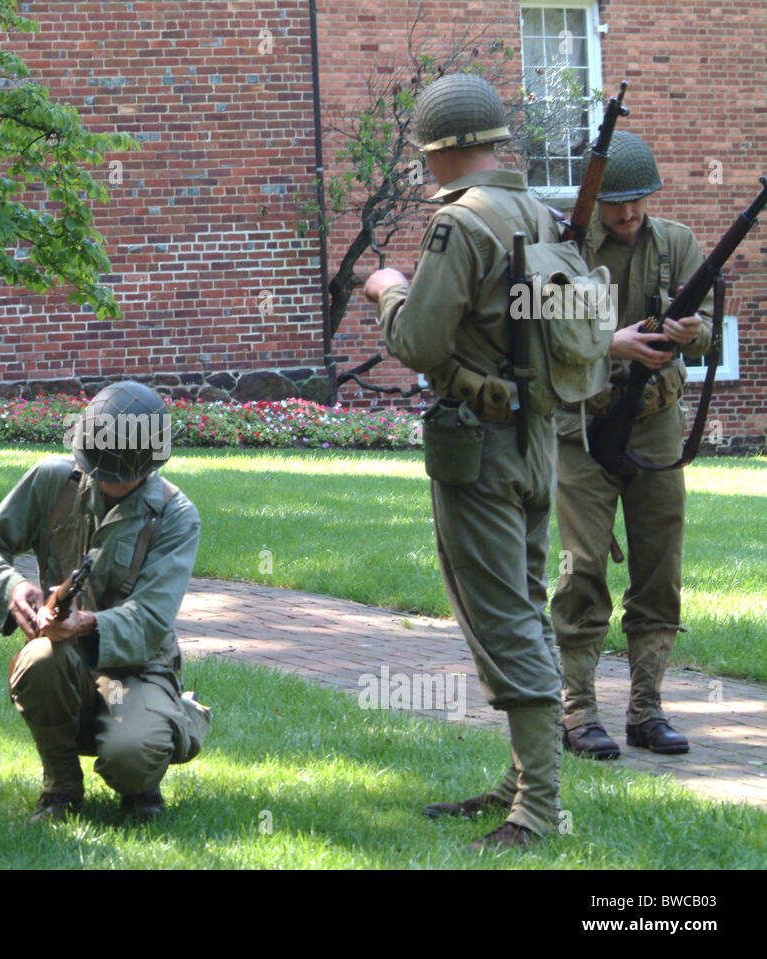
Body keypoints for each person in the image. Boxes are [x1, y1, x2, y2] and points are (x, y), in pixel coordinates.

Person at [364, 74, 565, 850]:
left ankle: (536, 810)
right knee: (528, 598)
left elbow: (417, 341)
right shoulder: (541, 214)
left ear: (439, 150)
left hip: (480, 449)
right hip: (540, 441)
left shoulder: (463, 224)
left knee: (503, 613)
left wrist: (388, 289)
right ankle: (520, 781)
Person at [0, 382, 210, 821]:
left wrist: (86, 624)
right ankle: (60, 786)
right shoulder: (52, 481)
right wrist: (13, 588)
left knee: (132, 757)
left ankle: (165, 731)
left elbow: (151, 619)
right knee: (38, 660)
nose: (106, 479)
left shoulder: (175, 515)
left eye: (118, 471)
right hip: (64, 657)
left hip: (138, 668)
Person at [552, 131, 710, 760]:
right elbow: (536, 331)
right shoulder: (563, 251)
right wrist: (609, 343)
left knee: (660, 570)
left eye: (637, 201)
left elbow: (705, 343)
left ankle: (647, 710)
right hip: (583, 426)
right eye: (616, 203)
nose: (627, 214)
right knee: (582, 570)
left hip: (654, 421)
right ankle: (578, 712)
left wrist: (692, 335)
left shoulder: (676, 244)